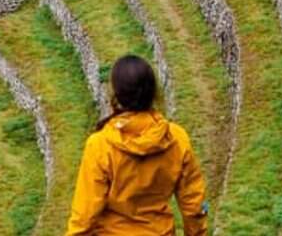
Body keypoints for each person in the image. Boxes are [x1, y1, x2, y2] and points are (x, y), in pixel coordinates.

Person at [67, 55, 207, 236]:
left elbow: (84, 216)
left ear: (116, 95)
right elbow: (194, 204)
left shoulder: (101, 145)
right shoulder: (177, 138)